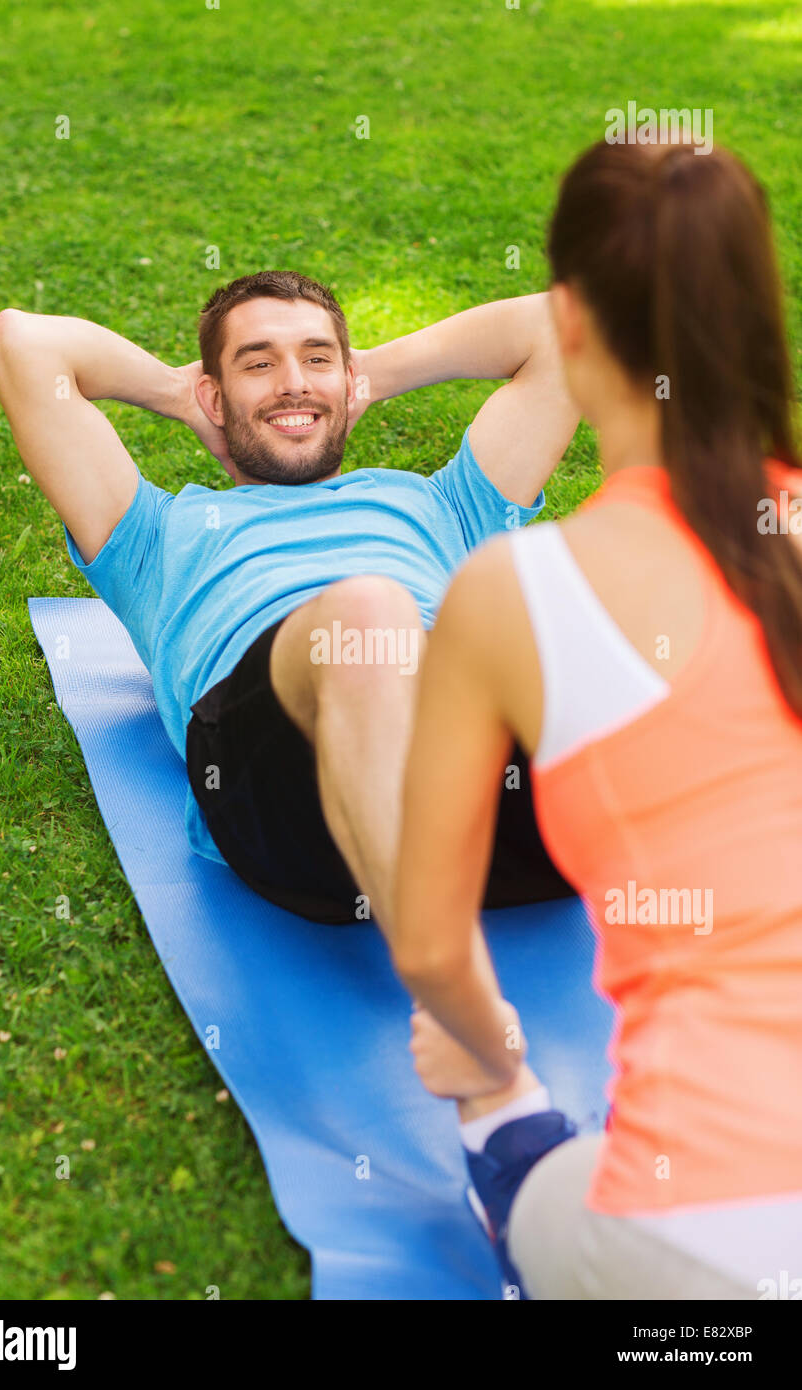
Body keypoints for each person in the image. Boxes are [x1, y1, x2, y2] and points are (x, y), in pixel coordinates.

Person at [393, 138, 802, 1299]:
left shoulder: (513, 592)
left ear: (565, 321)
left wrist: (491, 1053)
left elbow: (427, 942)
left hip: (705, 1243)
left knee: (504, 1113)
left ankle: (504, 1119)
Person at [0, 275, 579, 941]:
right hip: (289, 796)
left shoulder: (443, 505)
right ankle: (440, 968)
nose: (292, 382)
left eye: (315, 358)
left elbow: (566, 323)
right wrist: (180, 395)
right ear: (214, 393)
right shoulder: (153, 534)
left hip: (480, 785)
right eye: (258, 364)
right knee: (365, 611)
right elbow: (22, 343)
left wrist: (361, 377)